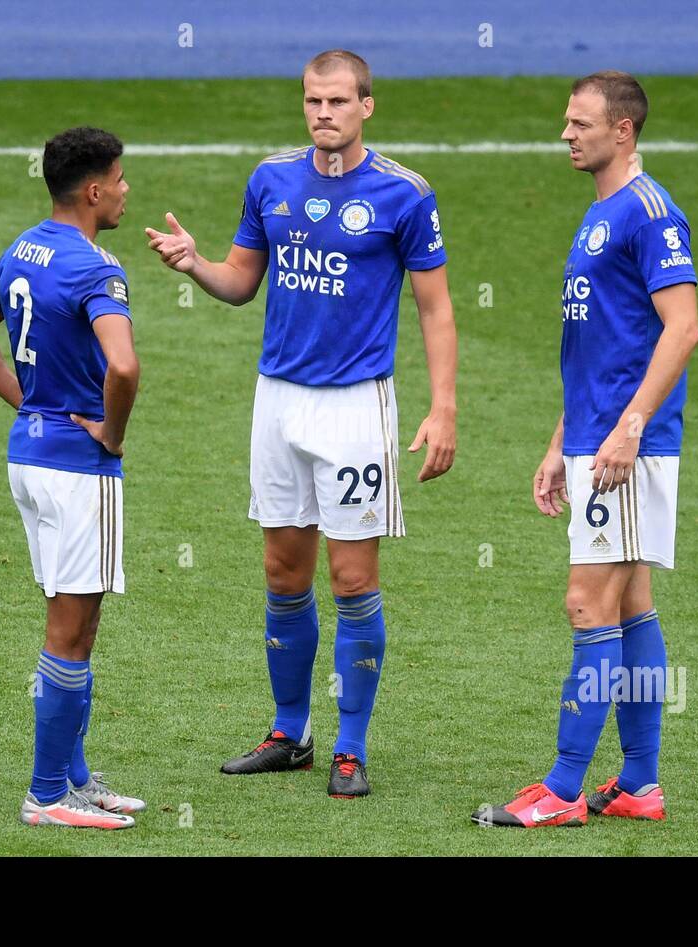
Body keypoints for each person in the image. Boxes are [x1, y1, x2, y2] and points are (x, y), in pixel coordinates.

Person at [145, 49, 457, 798]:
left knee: (352, 579)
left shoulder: (404, 195)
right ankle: (291, 732)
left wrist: (442, 405)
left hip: (356, 406)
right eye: (314, 102)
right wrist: (195, 264)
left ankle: (350, 746)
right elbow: (241, 281)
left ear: (367, 107)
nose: (324, 114)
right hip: (277, 400)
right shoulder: (272, 179)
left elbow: (436, 307)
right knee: (284, 572)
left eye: (339, 102)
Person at [474, 71, 698, 828]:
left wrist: (630, 425)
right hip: (597, 438)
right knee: (630, 602)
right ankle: (638, 782)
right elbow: (598, 349)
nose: (566, 135)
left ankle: (564, 788)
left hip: (626, 446)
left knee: (586, 600)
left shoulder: (650, 213)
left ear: (623, 131)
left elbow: (684, 328)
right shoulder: (600, 211)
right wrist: (558, 443)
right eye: (567, 123)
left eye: (579, 124)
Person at [0, 126, 145, 829]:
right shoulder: (96, 268)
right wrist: (111, 432)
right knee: (70, 628)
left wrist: (28, 404)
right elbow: (123, 366)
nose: (126, 190)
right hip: (77, 467)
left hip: (29, 457)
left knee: (77, 622)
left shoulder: (24, 247)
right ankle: (46, 795)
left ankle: (73, 776)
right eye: (120, 180)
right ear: (92, 190)